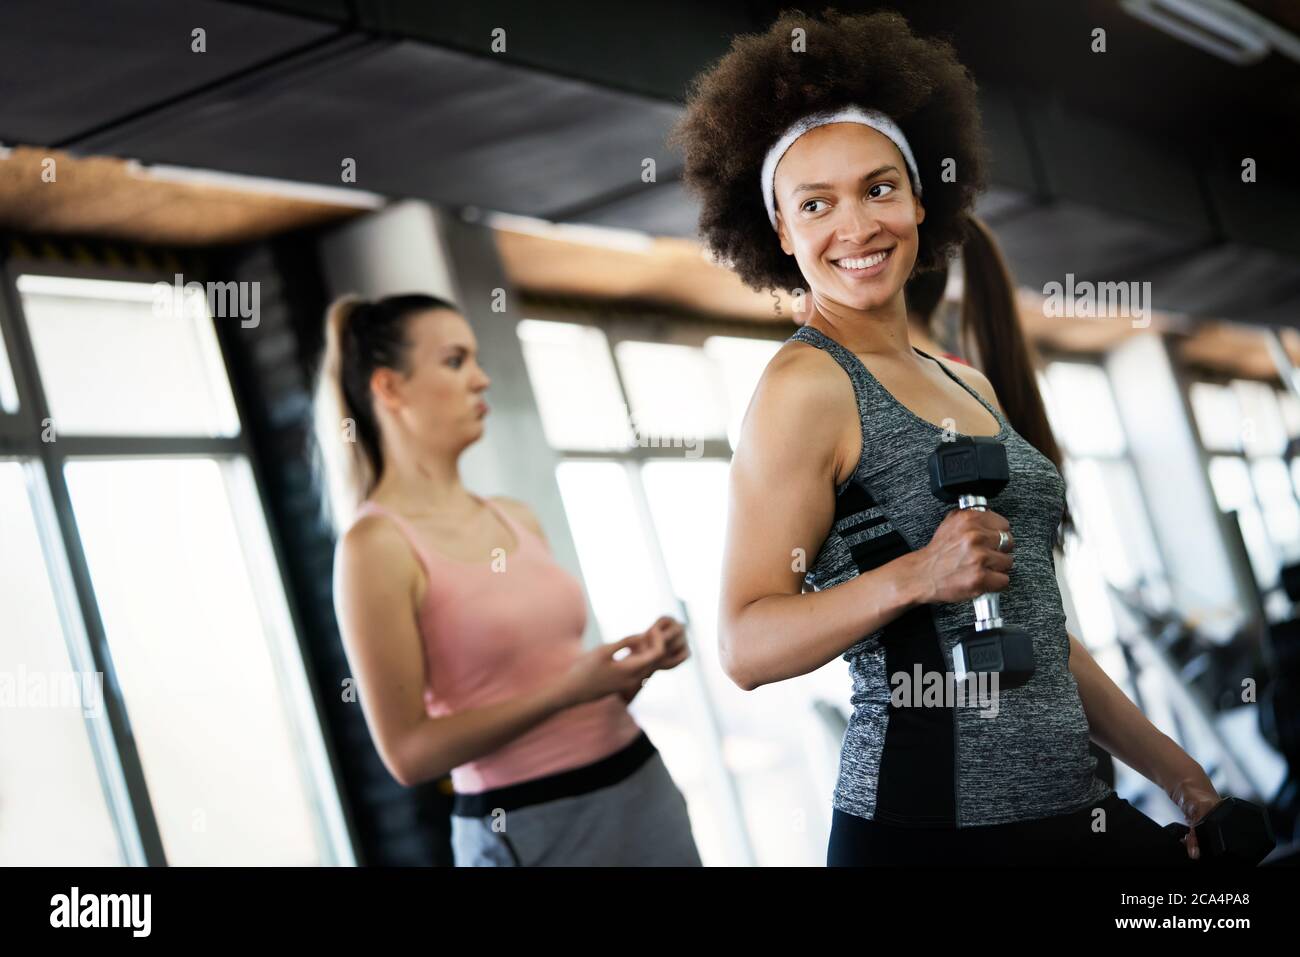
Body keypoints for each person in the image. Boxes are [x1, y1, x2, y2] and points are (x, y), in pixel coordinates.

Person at [671, 8, 1218, 865]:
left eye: (878, 188)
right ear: (781, 231)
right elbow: (744, 644)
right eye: (815, 204)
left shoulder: (967, 381)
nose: (855, 227)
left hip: (1074, 807)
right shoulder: (804, 386)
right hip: (925, 830)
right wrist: (918, 574)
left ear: (921, 196)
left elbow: (1039, 630)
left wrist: (1185, 779)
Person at [312, 292, 702, 866]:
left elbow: (550, 689)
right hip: (532, 824)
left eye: (474, 359)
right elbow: (410, 755)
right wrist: (570, 689)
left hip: (641, 788)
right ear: (390, 388)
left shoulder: (514, 517)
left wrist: (627, 673)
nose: (481, 379)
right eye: (454, 361)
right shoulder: (375, 547)